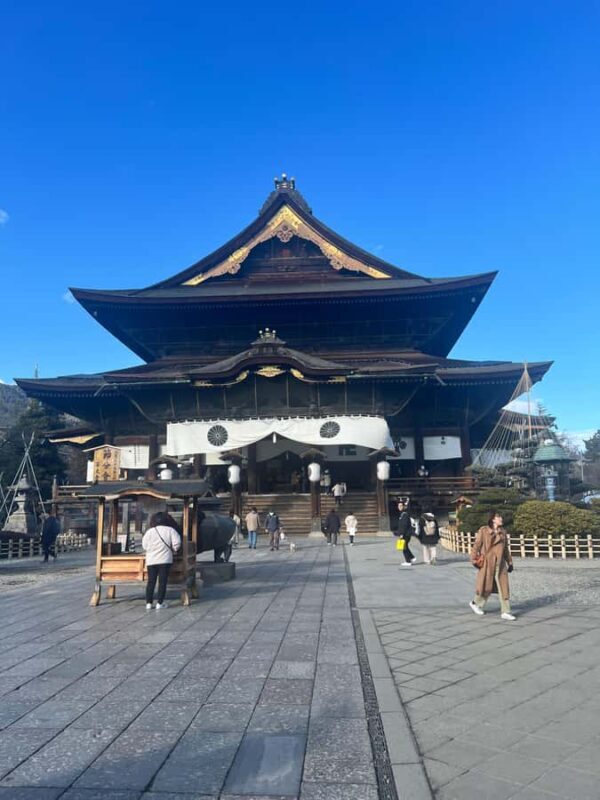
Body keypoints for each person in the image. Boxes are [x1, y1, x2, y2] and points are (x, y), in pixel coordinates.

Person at [469, 511, 516, 621]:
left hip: (500, 563)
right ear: (493, 519)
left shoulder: (503, 532)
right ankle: (475, 603)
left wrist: (510, 562)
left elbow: (505, 550)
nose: (501, 519)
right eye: (499, 517)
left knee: (503, 587)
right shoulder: (484, 531)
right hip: (487, 563)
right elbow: (476, 546)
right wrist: (473, 559)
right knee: (487, 586)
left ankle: (506, 611)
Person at [142, 511, 181, 610]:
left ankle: (148, 603)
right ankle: (160, 603)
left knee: (151, 581)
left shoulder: (149, 531)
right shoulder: (170, 530)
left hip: (151, 560)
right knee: (162, 582)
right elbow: (177, 544)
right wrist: (174, 550)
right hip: (165, 559)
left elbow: (144, 545)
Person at [396, 501, 416, 567]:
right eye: (398, 506)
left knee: (404, 547)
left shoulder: (404, 514)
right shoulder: (402, 514)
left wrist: (401, 534)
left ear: (404, 507)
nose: (399, 507)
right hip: (406, 533)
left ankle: (408, 561)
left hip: (406, 534)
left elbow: (404, 525)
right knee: (405, 546)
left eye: (401, 506)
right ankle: (412, 557)